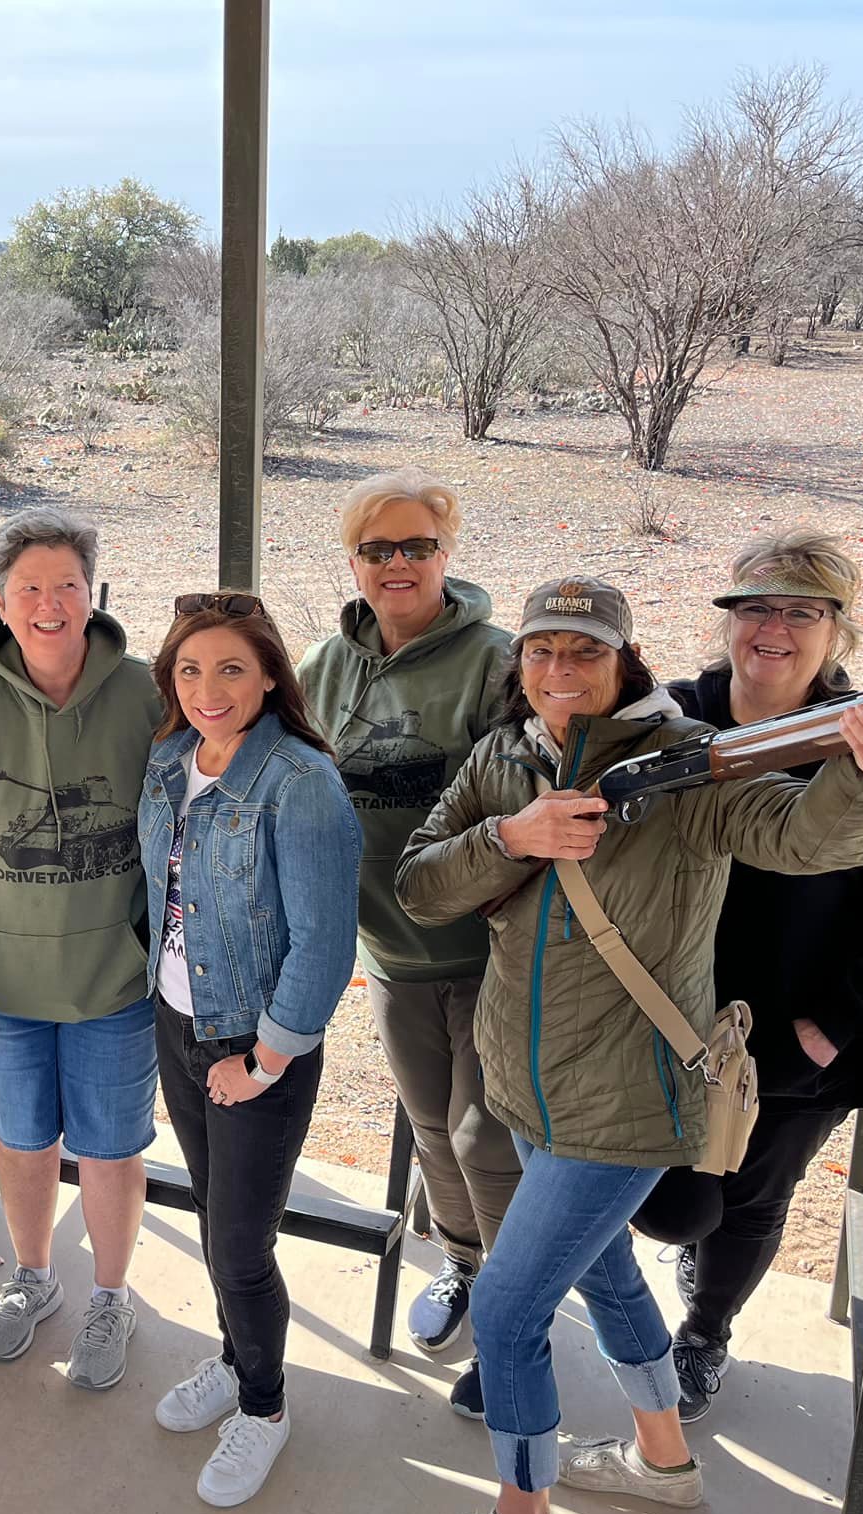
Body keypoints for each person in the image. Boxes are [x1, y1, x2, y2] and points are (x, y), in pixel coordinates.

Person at [393, 576, 863, 1514]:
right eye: (542, 650)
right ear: (519, 661)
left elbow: (805, 837)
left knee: (514, 1315)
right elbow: (421, 885)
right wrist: (512, 838)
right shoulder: (502, 759)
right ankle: (663, 1462)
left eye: (587, 652)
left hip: (627, 1103)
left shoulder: (685, 767)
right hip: (524, 1087)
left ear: (625, 662)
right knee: (606, 1277)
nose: (561, 671)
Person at [630, 531, 863, 1423]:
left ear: (837, 632)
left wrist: (834, 1022)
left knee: (751, 1202)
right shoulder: (670, 718)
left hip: (793, 1040)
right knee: (665, 1204)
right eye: (756, 608)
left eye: (802, 612)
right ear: (728, 622)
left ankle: (706, 1330)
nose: (774, 629)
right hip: (660, 1023)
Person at [0, 507, 163, 1391]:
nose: (49, 605)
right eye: (29, 589)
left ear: (93, 595)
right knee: (21, 1140)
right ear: (1, 603)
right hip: (1, 986)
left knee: (115, 1150)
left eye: (68, 586)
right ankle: (37, 1278)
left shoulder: (147, 695)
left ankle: (111, 1296)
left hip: (115, 983)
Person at [296, 467, 519, 1397]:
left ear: (446, 551)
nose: (397, 564)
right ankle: (465, 1265)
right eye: (376, 548)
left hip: (490, 951)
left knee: (487, 1143)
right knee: (431, 1123)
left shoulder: (496, 661)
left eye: (416, 546)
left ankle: (515, 1316)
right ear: (353, 560)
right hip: (389, 950)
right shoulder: (330, 665)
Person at [141, 592, 361, 1507]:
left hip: (252, 1044)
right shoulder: (168, 761)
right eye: (189, 670)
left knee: (239, 1245)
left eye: (232, 668)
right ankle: (236, 1361)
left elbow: (323, 944)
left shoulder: (301, 782)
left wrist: (266, 1060)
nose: (208, 688)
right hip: (177, 1023)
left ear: (271, 674)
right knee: (210, 1212)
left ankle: (264, 1408)